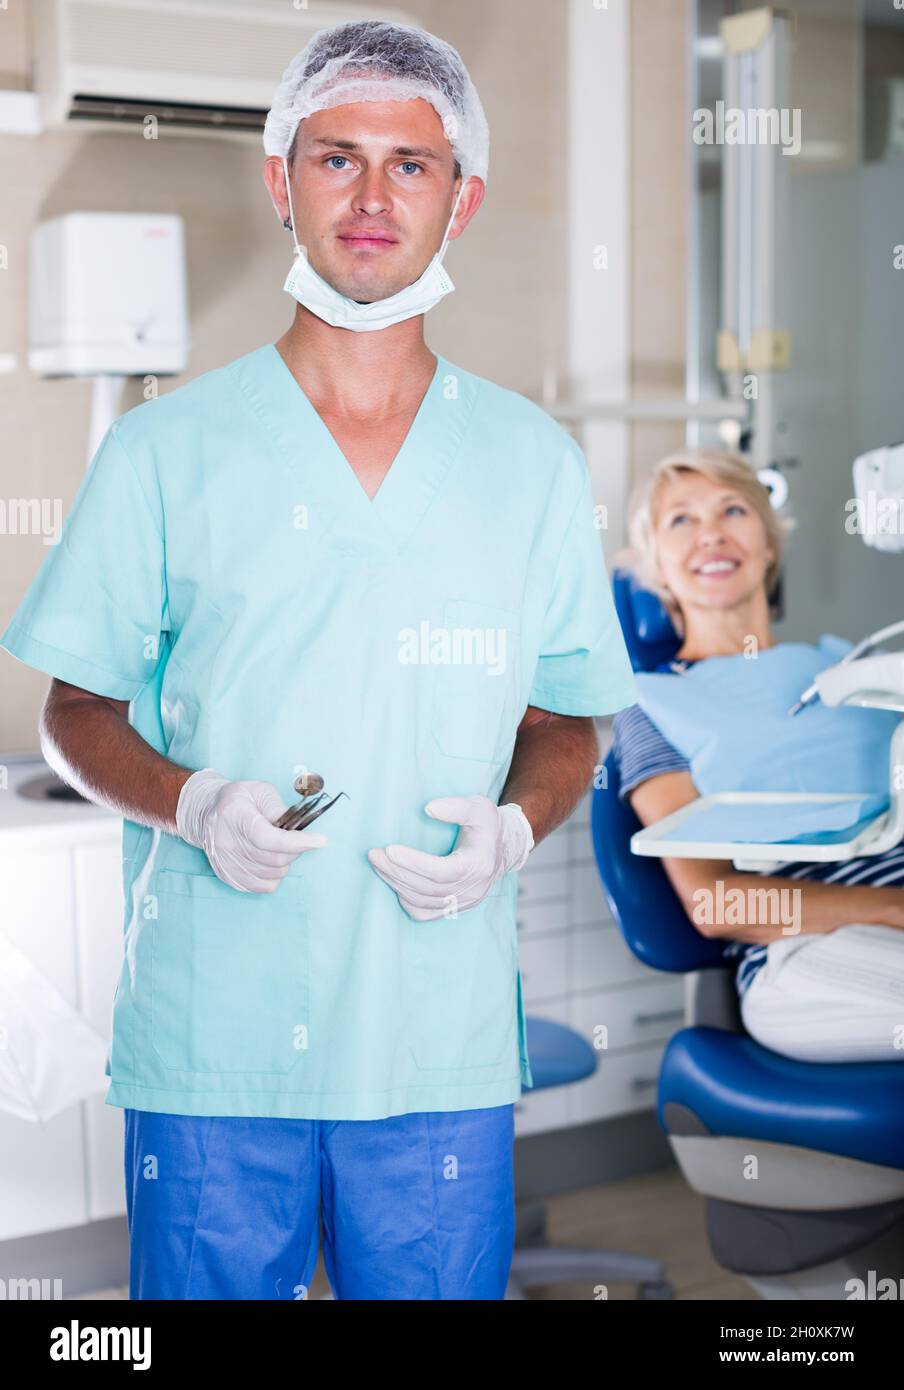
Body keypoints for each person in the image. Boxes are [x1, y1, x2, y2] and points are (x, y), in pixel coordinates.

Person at [0, 19, 637, 1300]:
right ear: (279, 176)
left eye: (411, 165)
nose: (371, 195)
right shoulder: (165, 451)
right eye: (336, 157)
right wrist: (193, 803)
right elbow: (75, 707)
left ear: (462, 202)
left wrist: (513, 830)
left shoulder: (529, 463)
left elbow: (572, 713)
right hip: (217, 1038)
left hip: (433, 1038)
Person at [611, 448, 904, 1065]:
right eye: (681, 521)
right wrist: (889, 908)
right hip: (806, 954)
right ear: (657, 568)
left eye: (733, 509)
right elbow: (718, 903)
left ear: (769, 546)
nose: (711, 532)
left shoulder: (851, 664)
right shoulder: (652, 707)